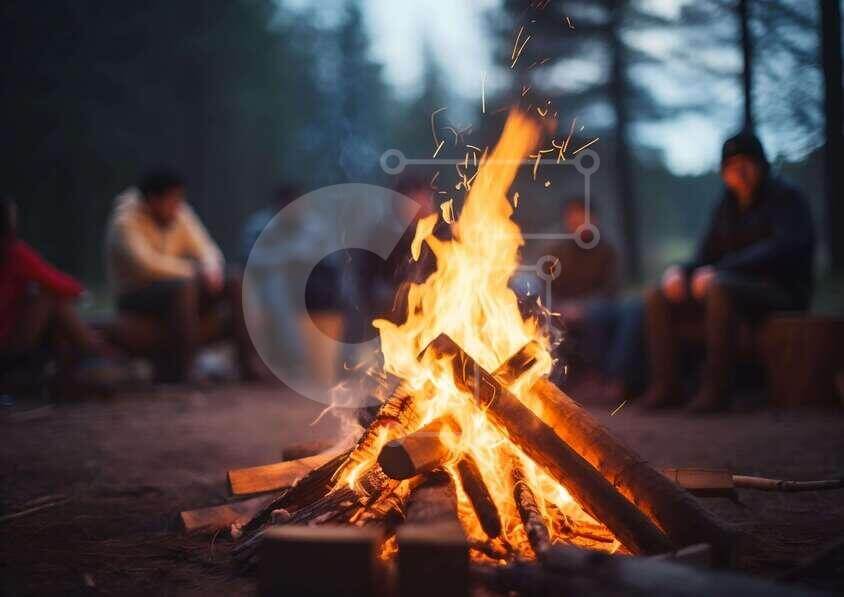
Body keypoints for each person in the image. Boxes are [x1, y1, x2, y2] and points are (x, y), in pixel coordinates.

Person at [643, 130, 815, 412]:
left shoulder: (786, 197)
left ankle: (717, 390)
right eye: (733, 167)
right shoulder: (726, 206)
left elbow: (784, 249)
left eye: (746, 165)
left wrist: (720, 271)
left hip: (783, 291)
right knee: (657, 295)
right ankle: (666, 386)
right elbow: (705, 256)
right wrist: (680, 271)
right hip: (732, 286)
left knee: (719, 286)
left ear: (762, 165)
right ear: (724, 172)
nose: (740, 174)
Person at [105, 169, 262, 382]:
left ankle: (249, 362)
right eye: (172, 199)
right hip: (137, 293)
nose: (178, 204)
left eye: (179, 198)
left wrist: (210, 267)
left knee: (235, 279)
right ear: (152, 199)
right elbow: (145, 264)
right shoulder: (124, 221)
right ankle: (186, 368)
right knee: (184, 286)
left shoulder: (180, 212)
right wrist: (194, 272)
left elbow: (205, 247)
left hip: (179, 284)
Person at [0, 197, 118, 393]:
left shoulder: (13, 254)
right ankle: (97, 356)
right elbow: (60, 284)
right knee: (50, 298)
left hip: (13, 340)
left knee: (52, 304)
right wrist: (81, 294)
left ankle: (81, 368)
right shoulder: (13, 253)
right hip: (8, 347)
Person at [545, 197, 643, 402]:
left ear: (594, 220)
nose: (578, 222)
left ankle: (608, 379)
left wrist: (582, 307)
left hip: (600, 306)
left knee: (601, 313)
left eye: (583, 217)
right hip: (563, 308)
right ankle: (560, 380)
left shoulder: (607, 251)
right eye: (574, 217)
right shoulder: (557, 252)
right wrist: (561, 306)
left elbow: (611, 288)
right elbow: (546, 287)